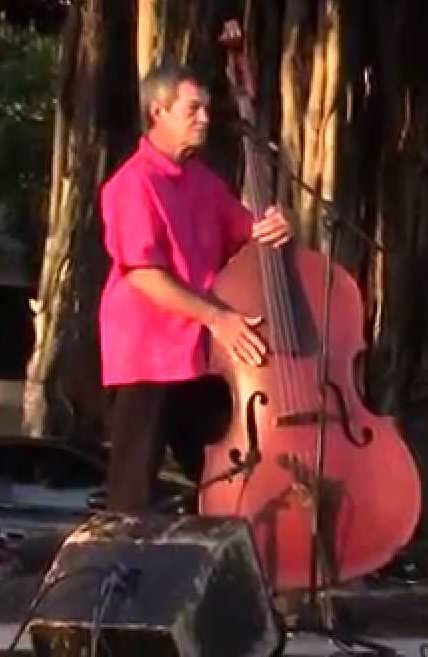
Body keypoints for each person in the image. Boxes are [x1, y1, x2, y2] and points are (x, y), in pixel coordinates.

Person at [98, 63, 291, 513]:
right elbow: (144, 273)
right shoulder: (132, 183)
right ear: (158, 111)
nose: (205, 118)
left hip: (200, 353)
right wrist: (219, 318)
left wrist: (275, 228)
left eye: (206, 108)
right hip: (146, 356)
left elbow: (249, 236)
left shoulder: (204, 183)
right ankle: (118, 577)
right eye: (193, 108)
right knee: (133, 494)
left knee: (230, 472)